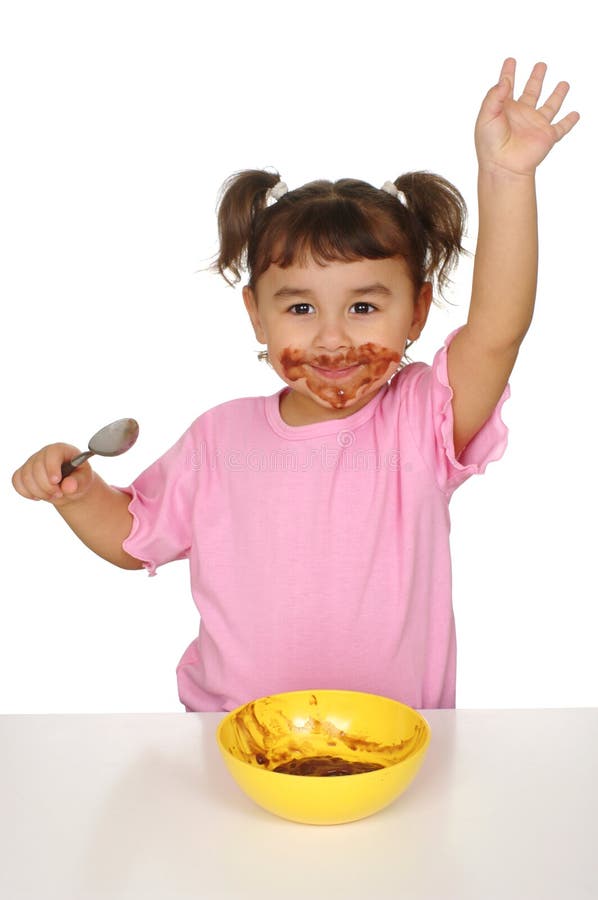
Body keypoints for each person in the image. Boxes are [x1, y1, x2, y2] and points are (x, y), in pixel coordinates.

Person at [12, 59, 579, 711]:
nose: (332, 338)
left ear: (418, 312)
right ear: (256, 313)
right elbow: (131, 535)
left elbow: (498, 332)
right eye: (301, 308)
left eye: (364, 307)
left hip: (396, 742)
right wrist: (78, 493)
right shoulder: (219, 437)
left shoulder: (422, 418)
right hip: (235, 739)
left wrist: (506, 178)